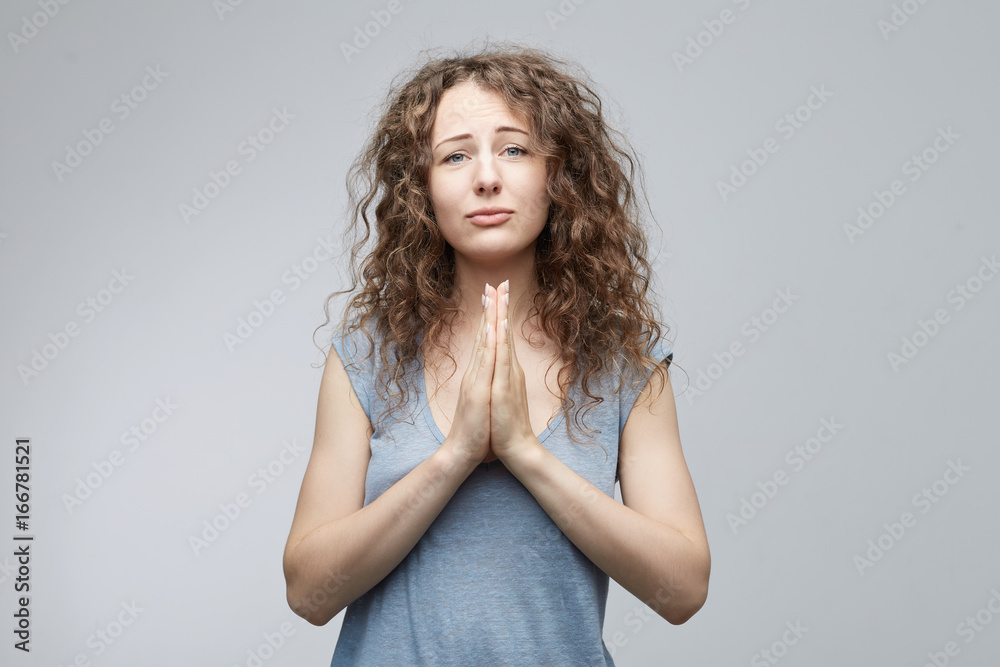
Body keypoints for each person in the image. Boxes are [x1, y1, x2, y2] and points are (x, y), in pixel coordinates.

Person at [282, 41, 711, 665]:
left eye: (515, 149)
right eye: (455, 156)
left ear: (558, 174)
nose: (487, 176)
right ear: (420, 189)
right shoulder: (365, 356)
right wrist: (454, 455)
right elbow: (307, 592)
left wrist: (523, 452)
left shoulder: (625, 362)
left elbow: (684, 590)